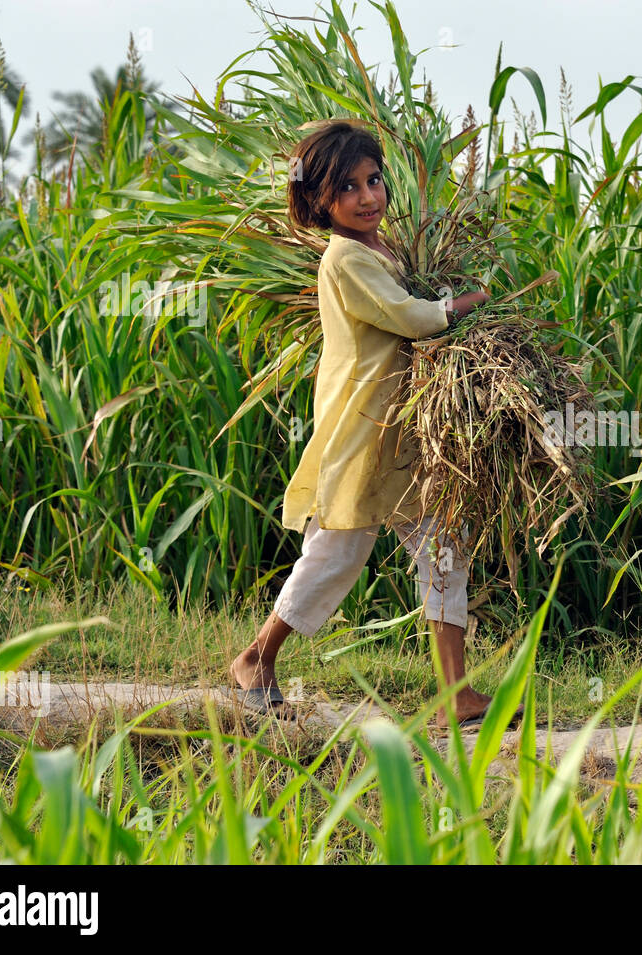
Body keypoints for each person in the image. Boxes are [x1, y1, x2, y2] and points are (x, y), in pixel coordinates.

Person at [226, 120, 517, 730]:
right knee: (338, 552)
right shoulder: (344, 259)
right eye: (349, 188)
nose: (368, 196)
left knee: (444, 547)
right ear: (319, 202)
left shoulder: (380, 248)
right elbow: (408, 318)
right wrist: (462, 305)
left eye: (374, 180)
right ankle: (256, 657)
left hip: (410, 429)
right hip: (363, 428)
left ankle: (453, 695)